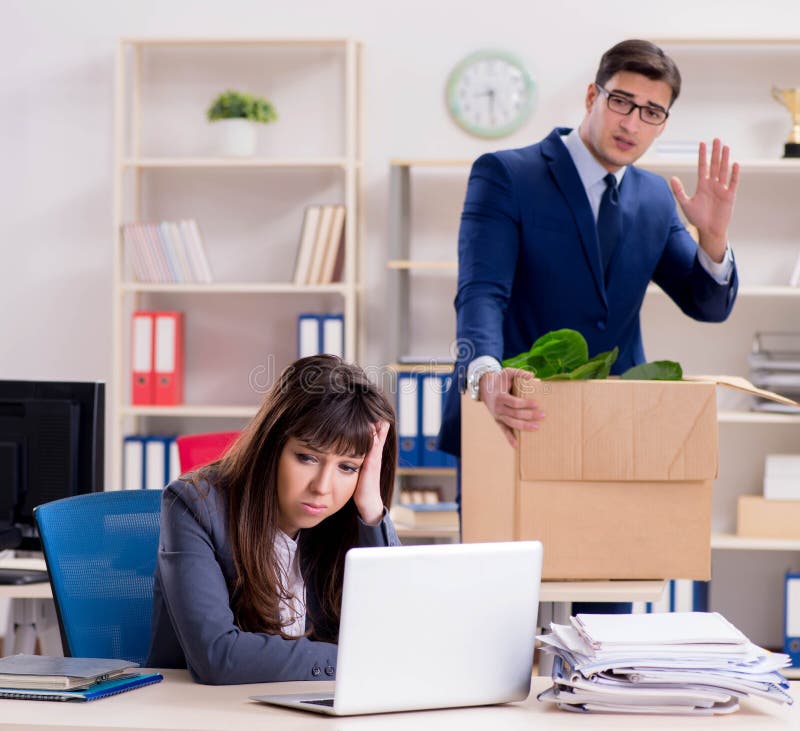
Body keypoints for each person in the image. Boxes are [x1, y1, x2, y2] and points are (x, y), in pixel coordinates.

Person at [439, 38, 739, 457]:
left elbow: (706, 306)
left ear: (662, 124)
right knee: (502, 527)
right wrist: (486, 373)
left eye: (651, 112)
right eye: (621, 101)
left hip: (612, 420)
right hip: (512, 408)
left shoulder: (655, 196)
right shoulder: (508, 174)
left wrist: (713, 237)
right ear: (591, 96)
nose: (632, 124)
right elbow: (481, 291)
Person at [147, 355, 400, 684]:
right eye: (307, 457)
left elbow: (396, 636)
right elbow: (217, 655)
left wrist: (371, 509)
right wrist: (354, 660)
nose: (322, 487)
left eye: (347, 467)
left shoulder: (347, 520)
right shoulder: (194, 506)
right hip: (204, 713)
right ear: (272, 445)